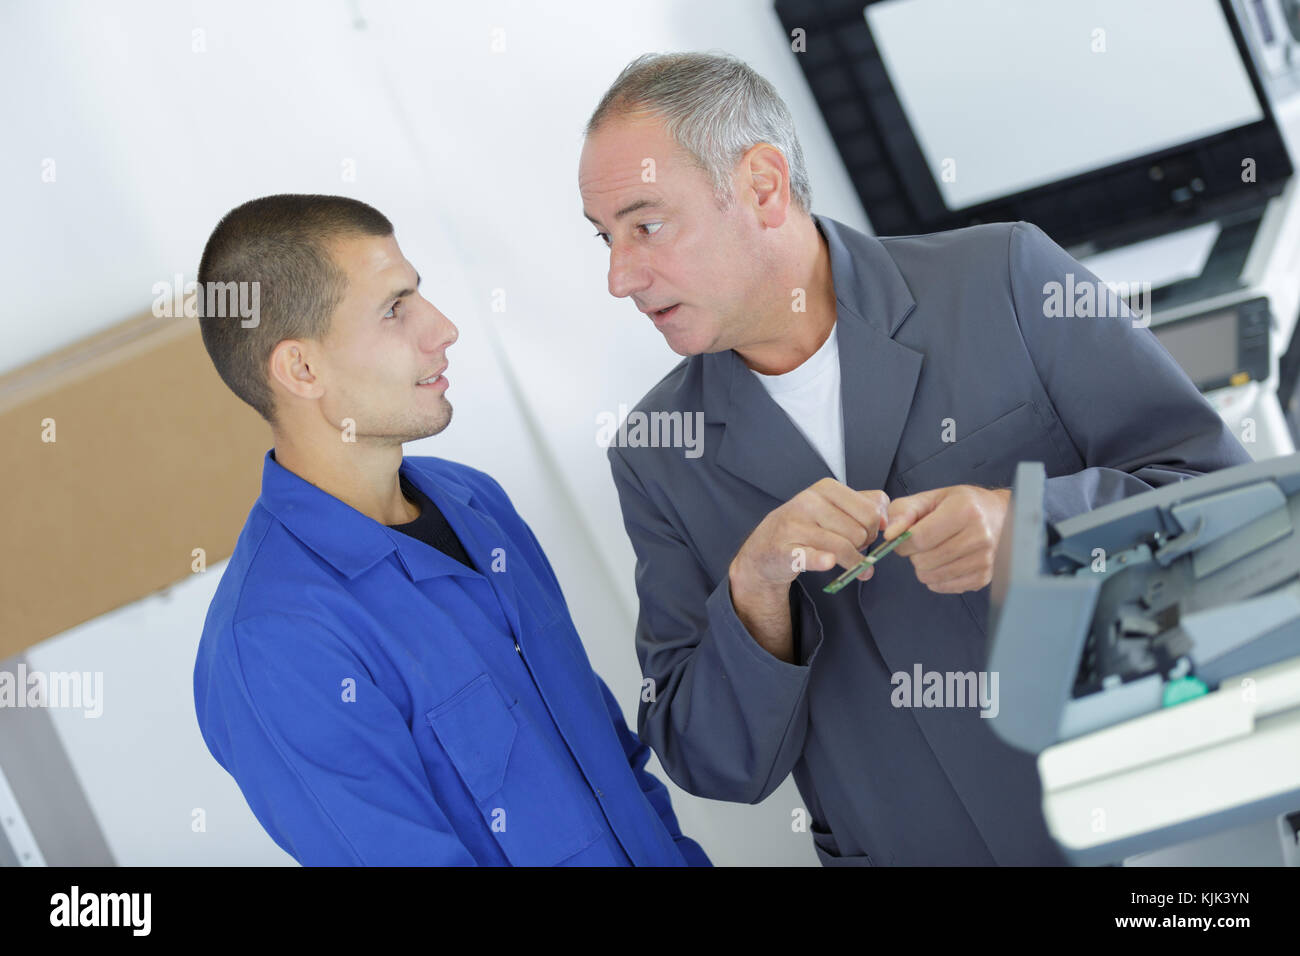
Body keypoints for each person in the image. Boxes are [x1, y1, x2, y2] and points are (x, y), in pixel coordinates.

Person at [578, 52, 1253, 865]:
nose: (620, 277)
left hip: (1160, 840)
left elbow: (1231, 504)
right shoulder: (657, 457)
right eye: (604, 239)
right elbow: (712, 762)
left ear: (761, 185)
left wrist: (1027, 527)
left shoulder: (1004, 276)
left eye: (646, 225)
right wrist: (754, 592)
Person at [192, 194, 709, 867]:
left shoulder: (474, 502)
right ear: (301, 369)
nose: (443, 329)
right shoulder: (275, 644)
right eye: (393, 309)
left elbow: (618, 771)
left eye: (419, 296)